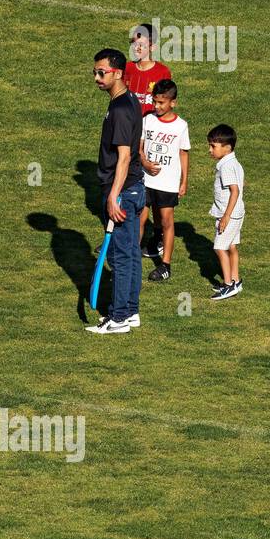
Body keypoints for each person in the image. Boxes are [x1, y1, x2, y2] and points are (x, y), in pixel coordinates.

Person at [87, 50, 145, 334]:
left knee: (121, 256)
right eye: (95, 73)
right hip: (136, 187)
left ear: (118, 73)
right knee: (131, 252)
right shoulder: (132, 100)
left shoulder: (120, 108)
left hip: (122, 189)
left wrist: (113, 195)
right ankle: (130, 311)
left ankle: (119, 317)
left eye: (102, 73)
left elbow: (123, 157)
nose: (97, 78)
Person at [126, 24, 172, 256]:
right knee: (129, 183)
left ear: (152, 46)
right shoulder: (126, 69)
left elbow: (166, 103)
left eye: (141, 44)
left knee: (153, 189)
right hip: (131, 134)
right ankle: (123, 236)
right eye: (134, 43)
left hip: (152, 137)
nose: (137, 48)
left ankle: (156, 236)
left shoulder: (162, 72)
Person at [140, 79, 190, 282]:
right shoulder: (147, 120)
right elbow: (139, 146)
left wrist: (184, 181)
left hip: (167, 183)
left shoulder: (181, 126)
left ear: (173, 103)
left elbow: (183, 154)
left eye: (161, 102)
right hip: (145, 181)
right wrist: (144, 162)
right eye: (155, 101)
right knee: (140, 218)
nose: (157, 106)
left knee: (167, 221)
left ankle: (165, 264)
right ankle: (132, 255)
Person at [206, 125, 245, 300]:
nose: (210, 150)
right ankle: (236, 280)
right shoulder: (234, 163)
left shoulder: (226, 167)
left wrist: (226, 216)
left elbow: (234, 191)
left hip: (228, 214)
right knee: (231, 246)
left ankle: (228, 285)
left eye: (213, 146)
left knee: (219, 247)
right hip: (237, 212)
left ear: (227, 147)